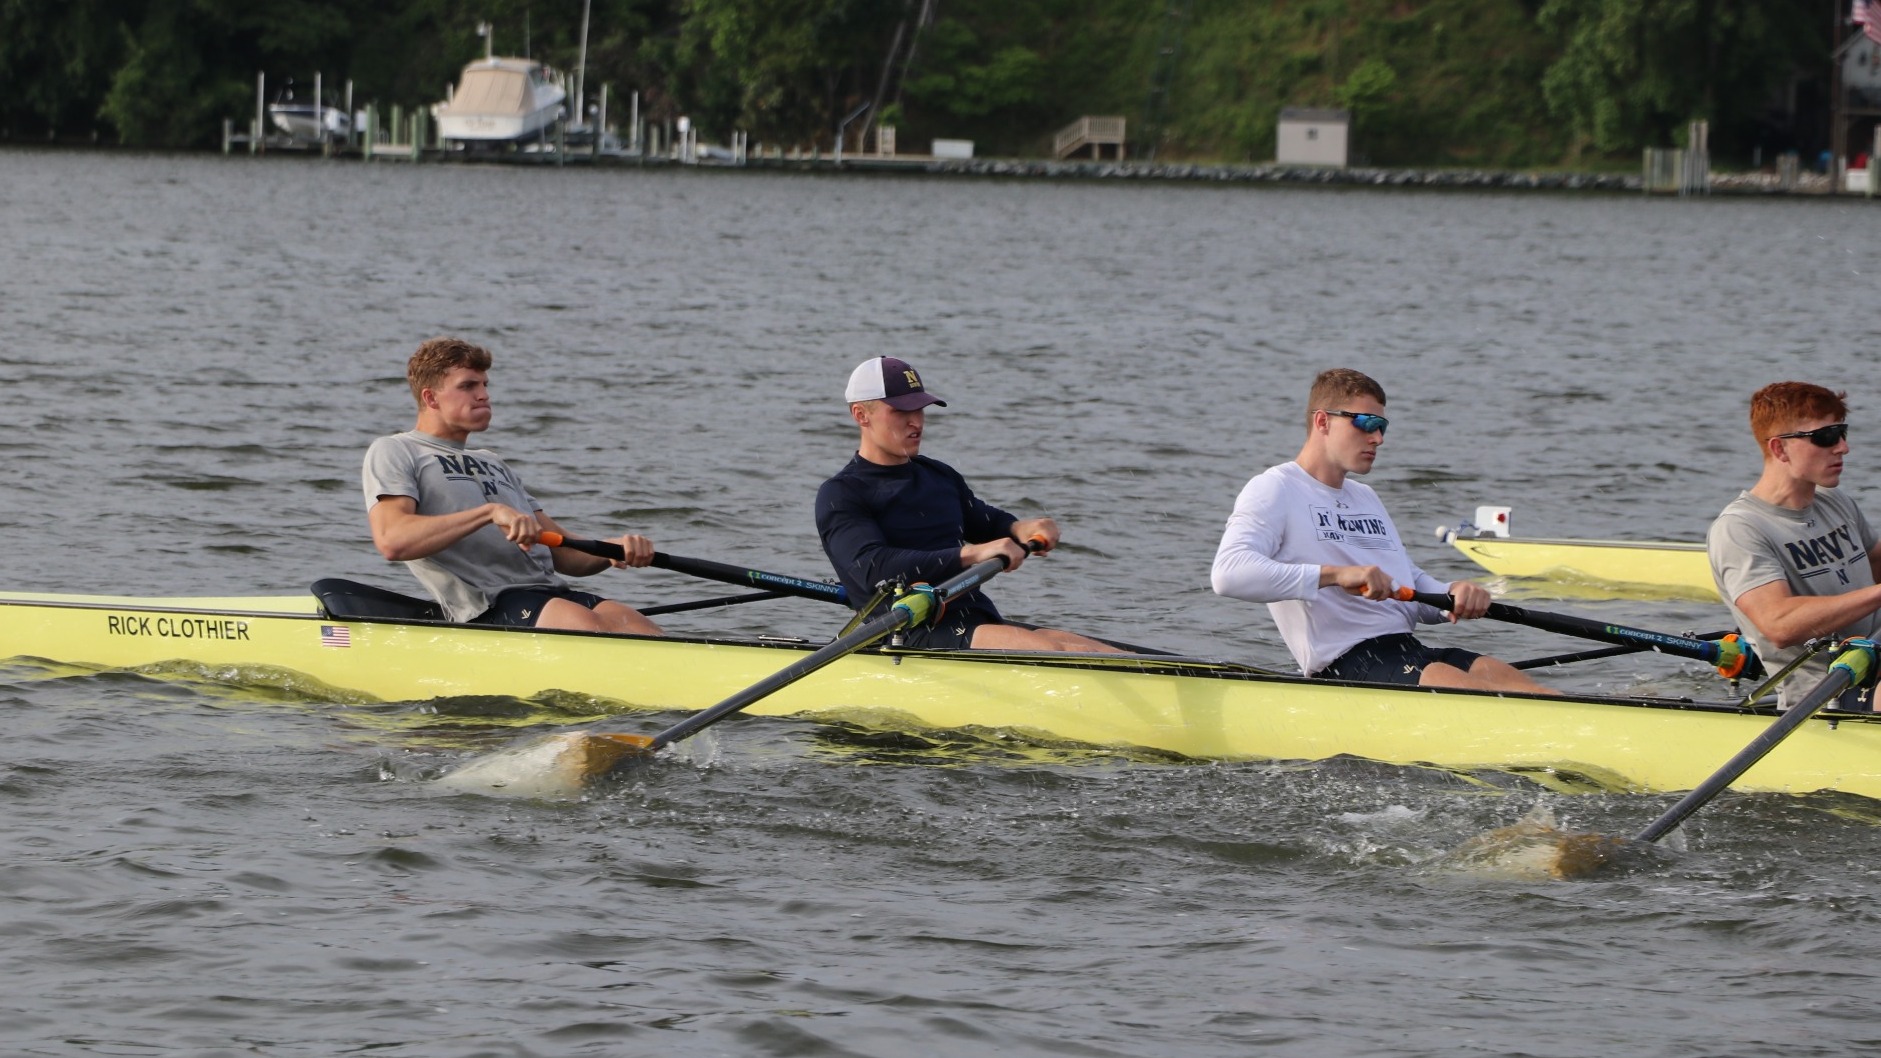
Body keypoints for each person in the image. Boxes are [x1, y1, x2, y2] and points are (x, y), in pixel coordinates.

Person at [1210, 368, 1553, 692]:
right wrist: (1335, 575)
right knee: (1459, 685)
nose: (1377, 438)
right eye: (1365, 423)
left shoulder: (1365, 497)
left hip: (1408, 650)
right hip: (1347, 665)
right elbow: (1229, 575)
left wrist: (1454, 593)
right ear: (1322, 421)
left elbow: (1408, 586)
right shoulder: (1275, 488)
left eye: (1382, 427)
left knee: (1517, 684)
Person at [815, 356, 1120, 652]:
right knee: (1053, 649)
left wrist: (1020, 527)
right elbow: (875, 569)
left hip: (972, 618)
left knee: (1092, 650)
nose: (916, 421)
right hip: (907, 632)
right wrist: (973, 553)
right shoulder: (841, 494)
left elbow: (984, 521)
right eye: (900, 411)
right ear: (860, 415)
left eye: (920, 409)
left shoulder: (938, 475)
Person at [362, 337, 664, 634]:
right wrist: (489, 513)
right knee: (587, 625)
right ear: (431, 398)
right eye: (468, 386)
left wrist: (613, 548)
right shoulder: (397, 450)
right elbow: (393, 540)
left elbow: (564, 552)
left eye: (484, 385)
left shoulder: (492, 462)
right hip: (489, 605)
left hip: (550, 593)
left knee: (638, 626)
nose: (483, 395)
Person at [1708, 382, 1881, 705]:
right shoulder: (1740, 529)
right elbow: (1779, 624)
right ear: (1779, 449)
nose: (1843, 447)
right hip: (1828, 695)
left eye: (1842, 433)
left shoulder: (1834, 502)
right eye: (1826, 437)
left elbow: (1877, 562)